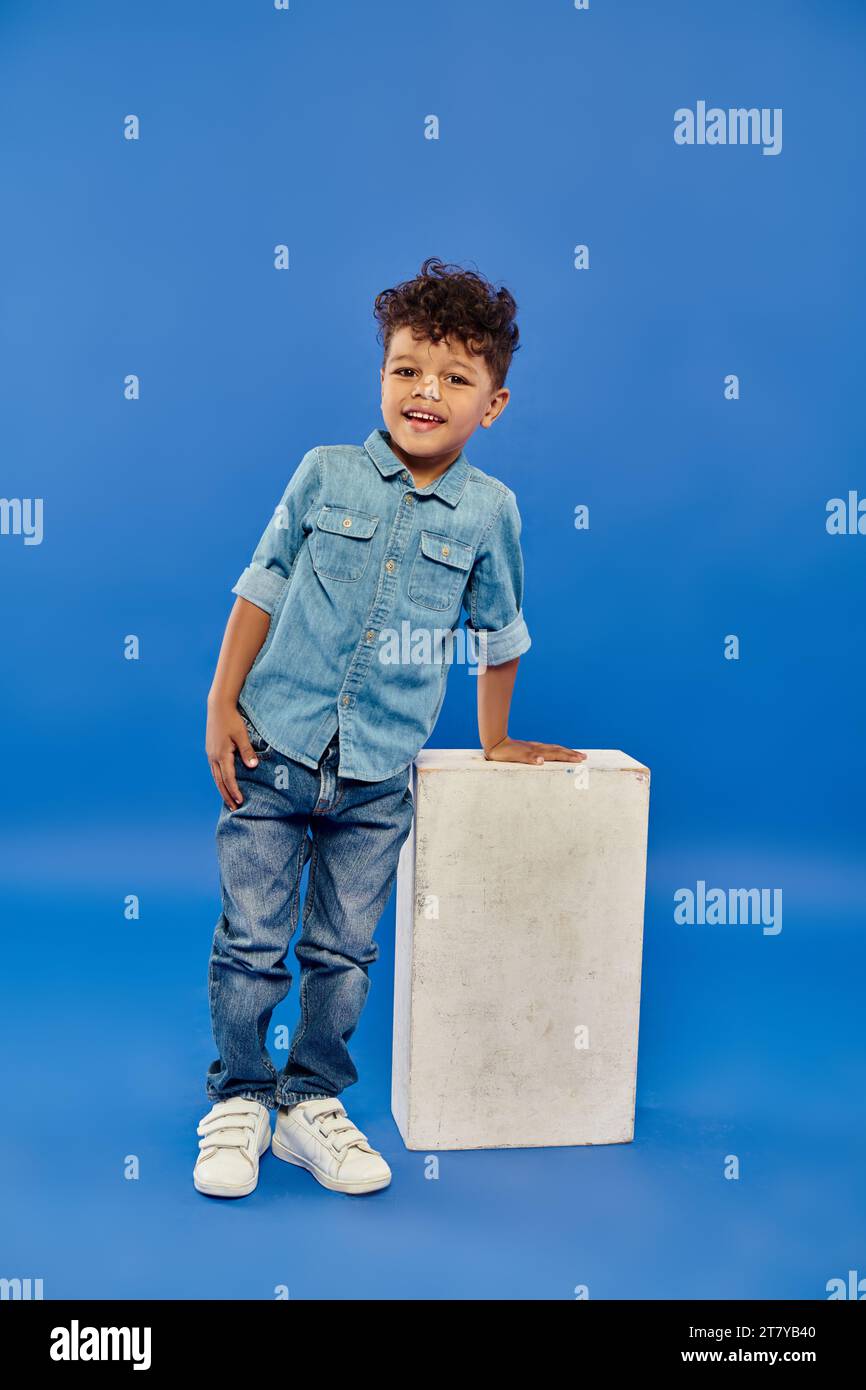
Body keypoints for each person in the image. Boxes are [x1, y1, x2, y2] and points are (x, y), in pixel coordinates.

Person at [194, 256, 584, 1200]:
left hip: (377, 781)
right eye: (408, 368)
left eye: (456, 378)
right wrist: (220, 701)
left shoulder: (491, 512)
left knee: (344, 953)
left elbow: (500, 632)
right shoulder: (325, 475)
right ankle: (241, 1093)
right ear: (382, 375)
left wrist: (496, 739)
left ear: (492, 405)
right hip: (275, 752)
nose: (427, 391)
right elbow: (263, 581)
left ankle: (311, 1102)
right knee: (250, 941)